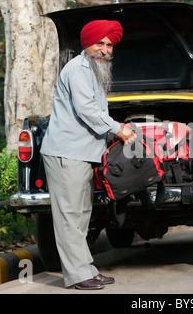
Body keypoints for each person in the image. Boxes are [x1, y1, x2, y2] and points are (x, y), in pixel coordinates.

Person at [40, 20, 136, 290]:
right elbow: (87, 111)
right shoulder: (79, 70)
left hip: (81, 153)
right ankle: (77, 276)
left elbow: (95, 113)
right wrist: (119, 130)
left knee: (81, 215)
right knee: (70, 216)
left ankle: (87, 270)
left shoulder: (92, 71)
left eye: (109, 45)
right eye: (100, 44)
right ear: (88, 44)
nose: (105, 50)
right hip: (66, 152)